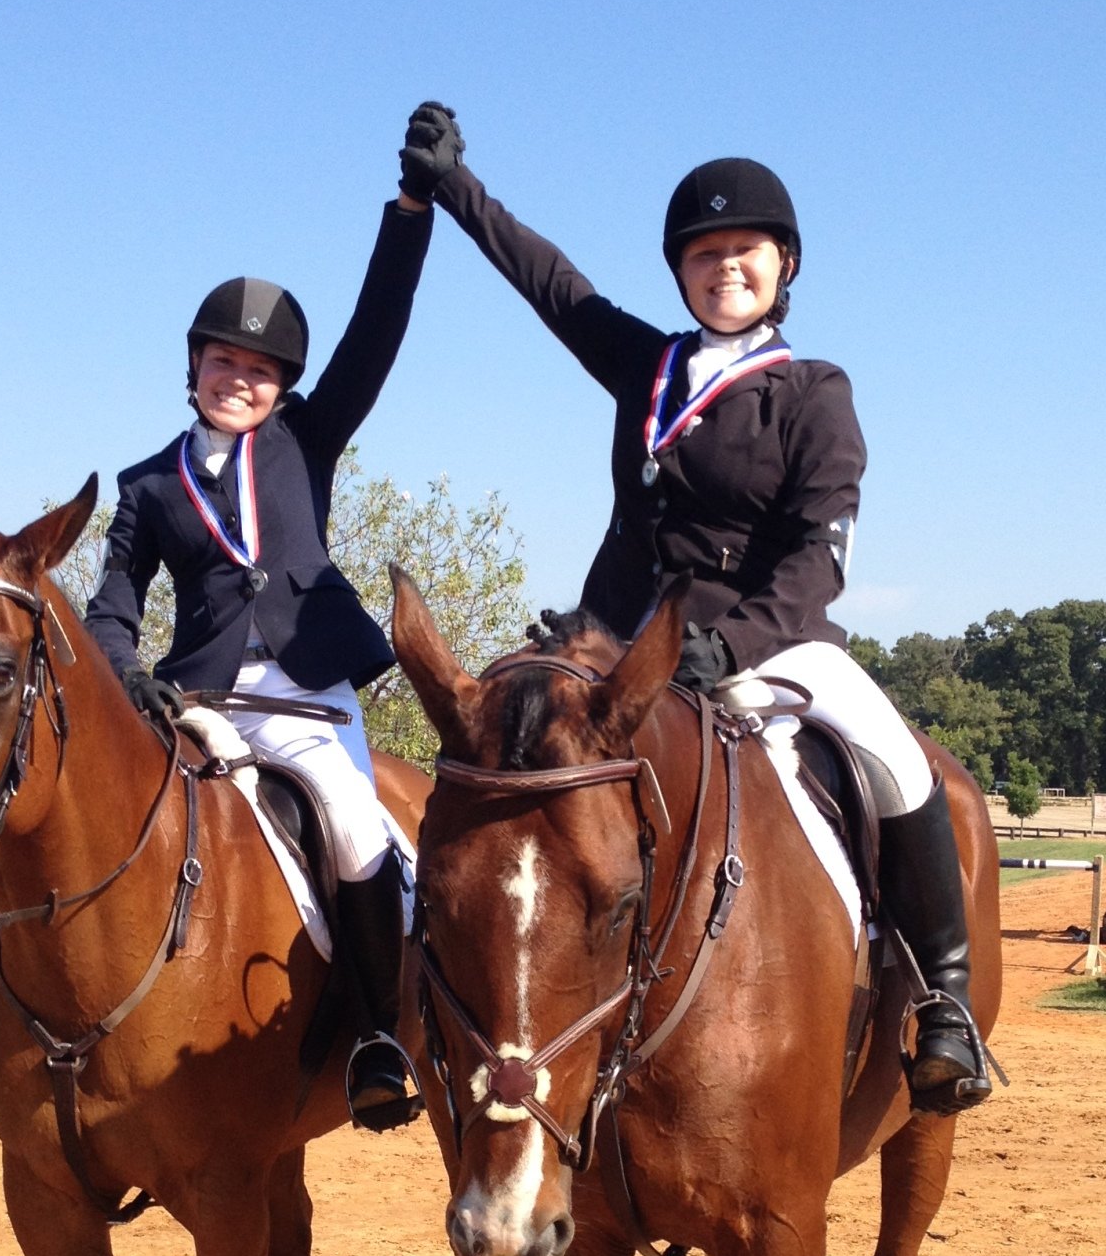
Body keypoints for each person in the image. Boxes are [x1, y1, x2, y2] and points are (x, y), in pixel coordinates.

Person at [400, 102, 989, 1111]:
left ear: (783, 265)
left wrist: (729, 643)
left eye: (745, 250)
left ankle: (942, 998)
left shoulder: (813, 390)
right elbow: (554, 287)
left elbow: (818, 551)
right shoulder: (650, 367)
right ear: (681, 269)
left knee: (895, 759)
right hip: (623, 650)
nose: (726, 266)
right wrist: (456, 188)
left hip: (771, 643)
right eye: (705, 252)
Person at [86, 159, 435, 1131]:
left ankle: (374, 1033)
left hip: (311, 707)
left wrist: (410, 215)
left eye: (261, 369)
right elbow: (112, 605)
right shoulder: (149, 484)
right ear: (193, 368)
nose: (240, 379)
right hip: (200, 706)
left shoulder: (304, 442)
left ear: (282, 386)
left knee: (357, 830)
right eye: (223, 363)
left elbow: (375, 334)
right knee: (91, 812)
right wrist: (126, 677)